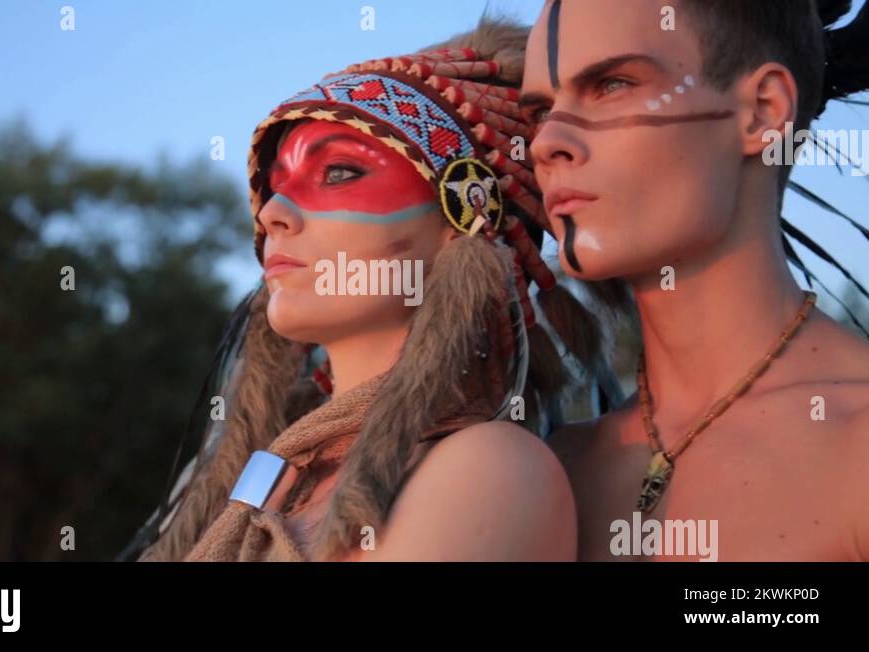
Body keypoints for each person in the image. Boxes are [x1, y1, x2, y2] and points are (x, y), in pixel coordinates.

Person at [119, 16, 624, 562]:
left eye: (338, 173)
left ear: (463, 217)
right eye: (275, 186)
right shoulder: (287, 471)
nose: (273, 214)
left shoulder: (486, 468)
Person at [520, 0, 869, 560]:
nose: (544, 143)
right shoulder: (551, 470)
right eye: (539, 111)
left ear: (761, 112)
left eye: (611, 84)